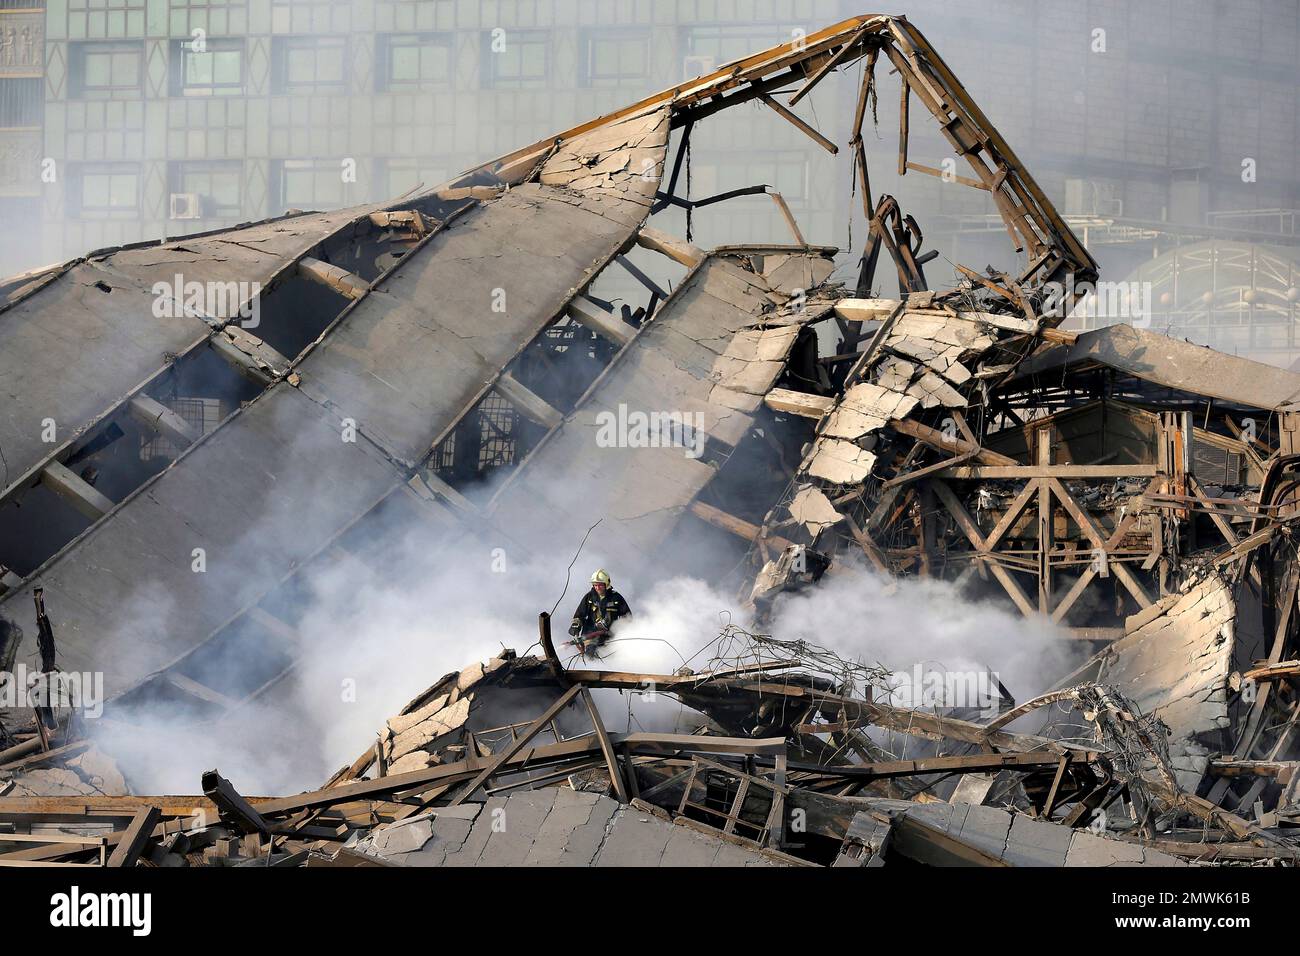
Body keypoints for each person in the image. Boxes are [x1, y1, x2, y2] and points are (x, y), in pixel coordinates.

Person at [568, 569, 631, 655]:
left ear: (607, 584)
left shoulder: (616, 598)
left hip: (610, 636)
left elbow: (627, 617)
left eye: (600, 585)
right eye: (595, 585)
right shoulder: (589, 597)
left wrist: (621, 630)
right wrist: (575, 627)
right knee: (591, 653)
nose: (597, 588)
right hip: (590, 635)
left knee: (611, 656)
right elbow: (580, 614)